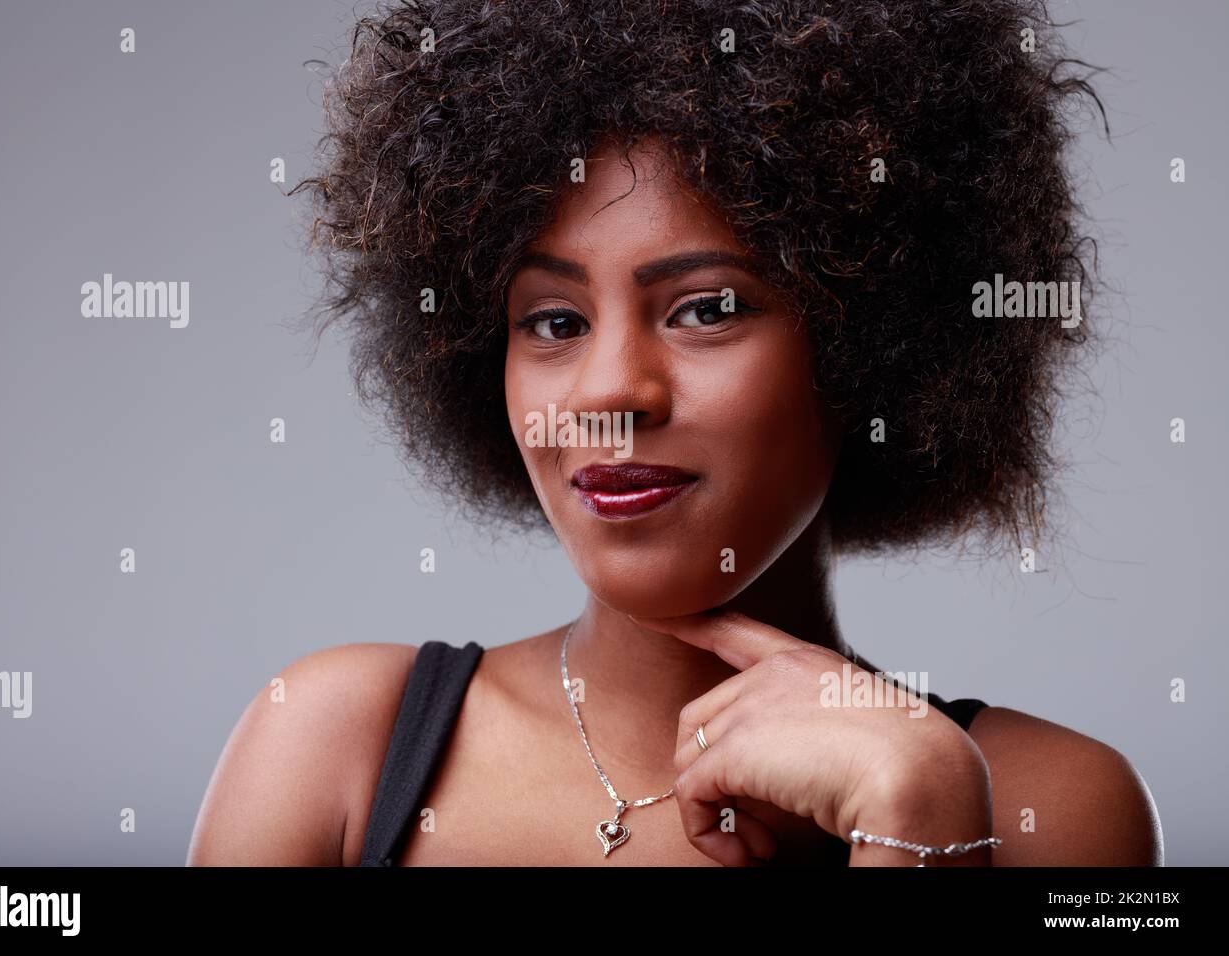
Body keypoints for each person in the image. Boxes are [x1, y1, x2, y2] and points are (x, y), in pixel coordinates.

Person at [187, 0, 1162, 866]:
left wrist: (923, 825)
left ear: (872, 340)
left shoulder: (1044, 805)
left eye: (705, 308)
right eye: (554, 322)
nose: (610, 393)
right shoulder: (337, 742)